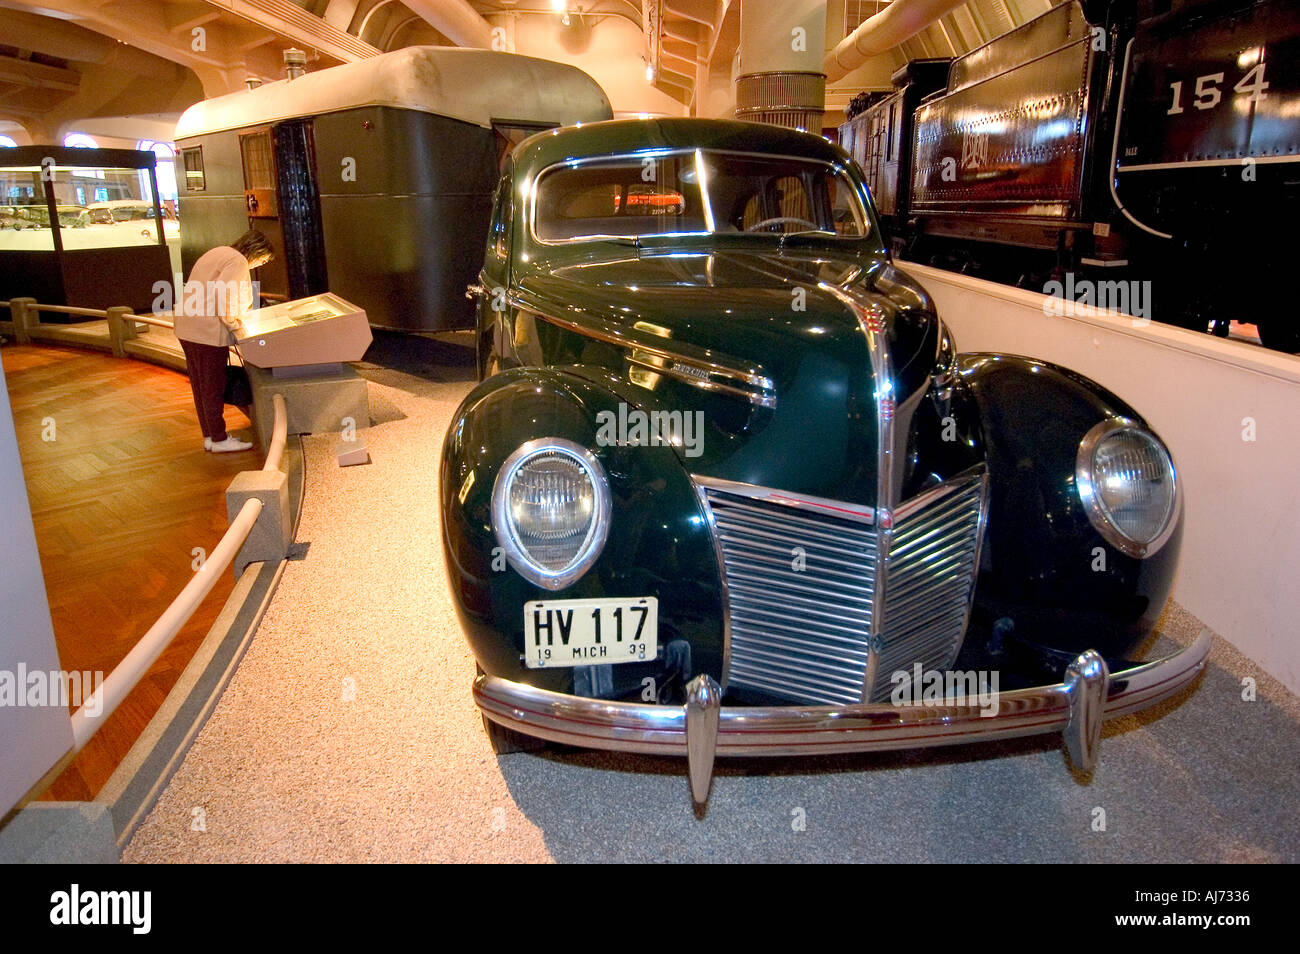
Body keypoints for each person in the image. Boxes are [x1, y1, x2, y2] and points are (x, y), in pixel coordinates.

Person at [173, 230, 273, 452]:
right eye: (264, 260)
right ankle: (218, 439)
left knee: (200, 385)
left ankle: (210, 435)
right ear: (257, 251)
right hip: (206, 331)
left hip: (188, 326)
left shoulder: (218, 252)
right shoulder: (237, 261)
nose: (261, 265)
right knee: (212, 385)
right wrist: (234, 325)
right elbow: (225, 297)